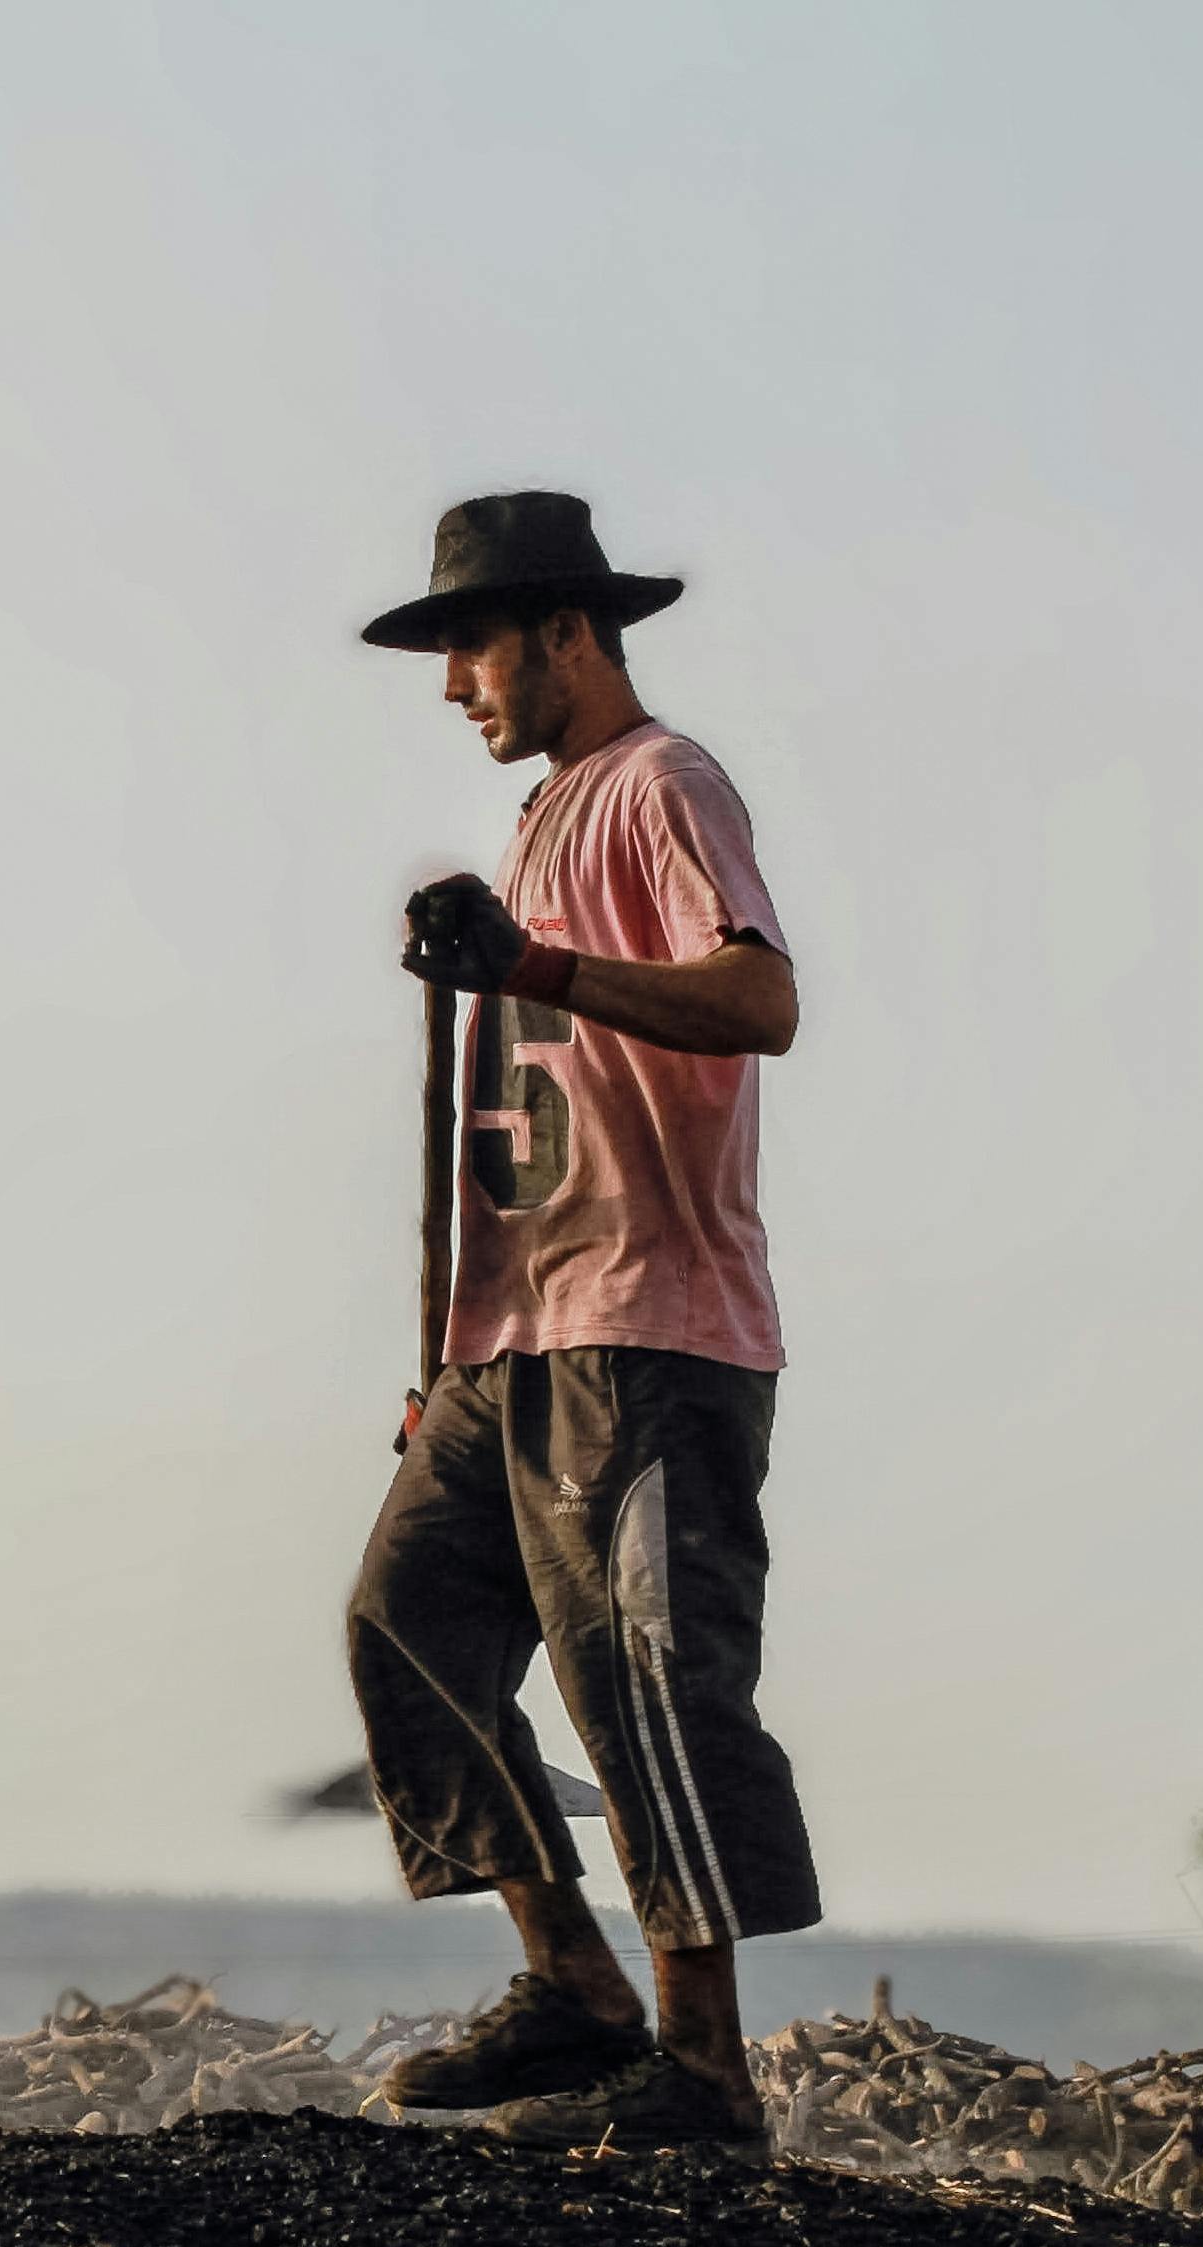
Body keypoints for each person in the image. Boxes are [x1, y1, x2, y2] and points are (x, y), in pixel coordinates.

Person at [343, 491, 820, 2148]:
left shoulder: (662, 784)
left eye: (472, 643)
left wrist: (535, 968)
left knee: (648, 1685)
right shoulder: (546, 819)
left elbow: (758, 998)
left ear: (566, 635)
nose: (452, 680)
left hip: (648, 1328)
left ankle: (701, 2077)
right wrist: (442, 1361)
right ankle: (574, 1988)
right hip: (512, 1337)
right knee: (405, 1623)